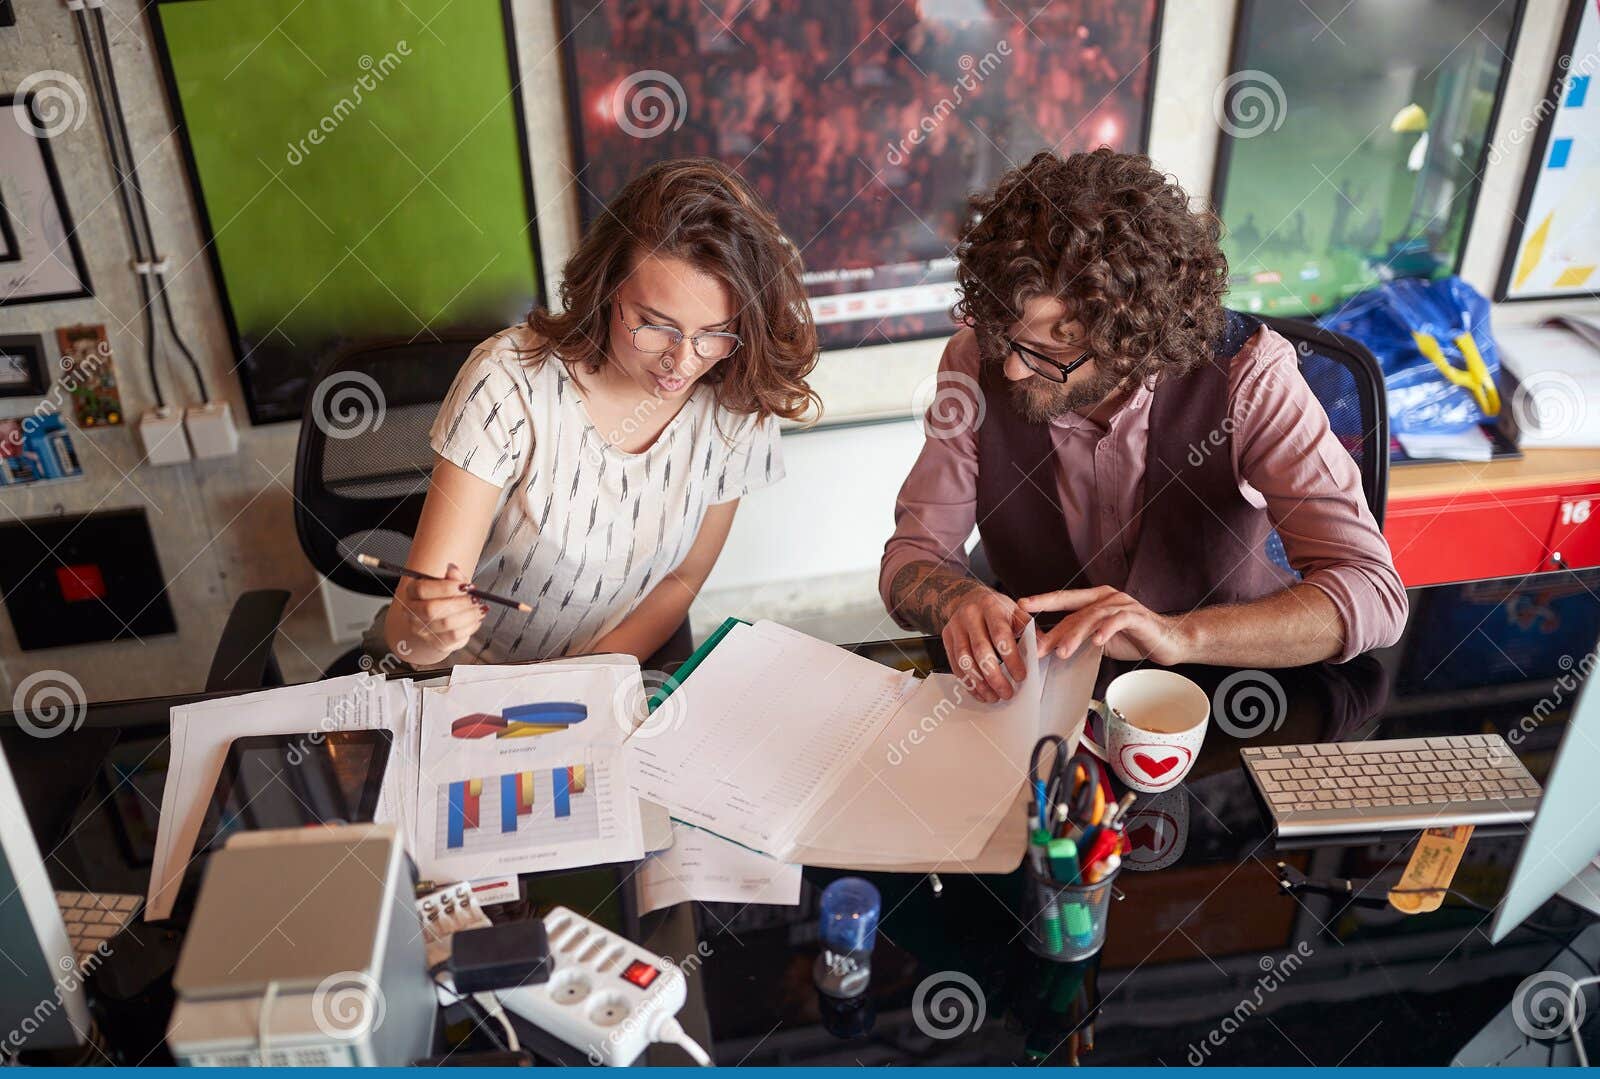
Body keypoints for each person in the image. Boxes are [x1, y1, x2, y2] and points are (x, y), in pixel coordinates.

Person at [880, 149, 1406, 702]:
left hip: (1226, 689)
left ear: (1133, 340)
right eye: (1004, 336)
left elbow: (1373, 595)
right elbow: (912, 557)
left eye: (1049, 350)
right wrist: (956, 600)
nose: (1011, 368)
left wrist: (1178, 635)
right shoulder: (972, 363)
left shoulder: (1250, 378)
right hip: (1045, 695)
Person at [378, 158, 818, 669]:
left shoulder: (739, 393)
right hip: (468, 680)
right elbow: (405, 634)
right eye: (655, 325)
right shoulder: (509, 380)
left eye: (713, 333)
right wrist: (429, 630)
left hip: (605, 674)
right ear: (608, 289)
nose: (682, 361)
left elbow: (682, 579)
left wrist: (585, 682)